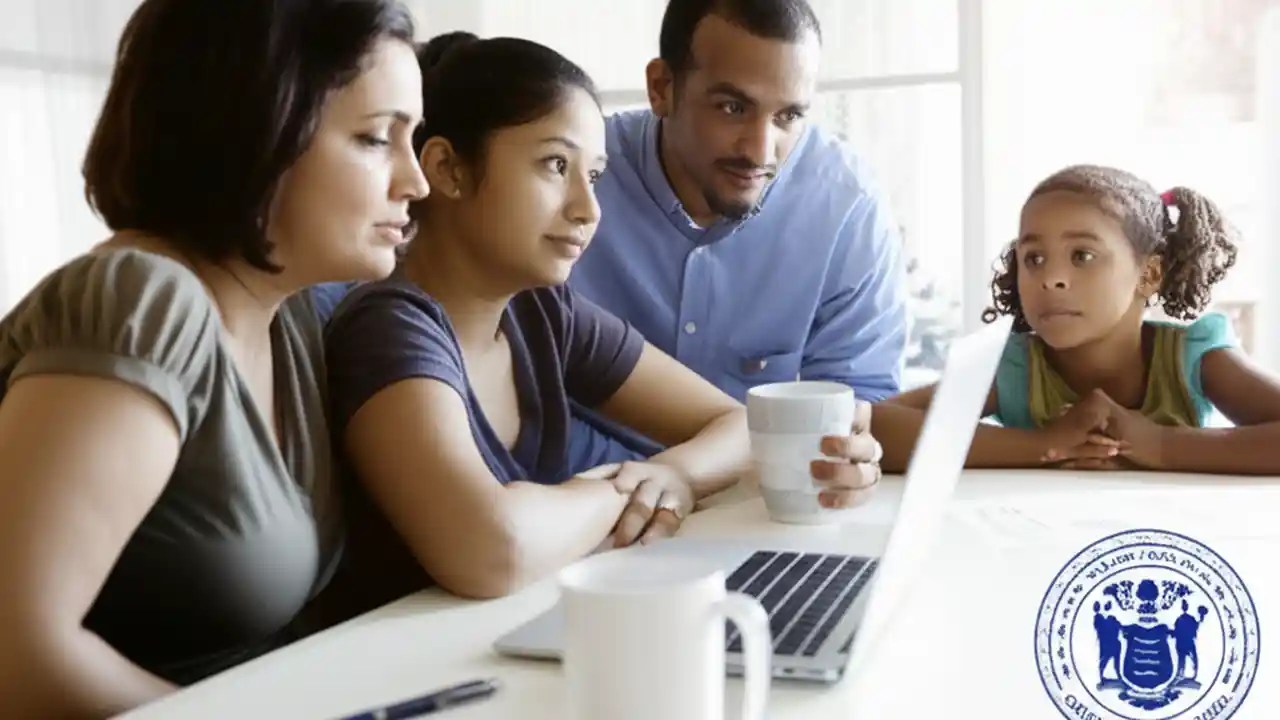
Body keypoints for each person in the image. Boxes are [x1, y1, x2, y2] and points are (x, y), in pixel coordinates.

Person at [322, 33, 882, 613]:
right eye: (554, 165)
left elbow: (739, 426)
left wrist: (675, 474)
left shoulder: (541, 313)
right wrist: (626, 488)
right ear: (447, 168)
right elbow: (492, 548)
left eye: (592, 176)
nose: (588, 209)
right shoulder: (388, 329)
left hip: (510, 631)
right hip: (401, 671)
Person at [0, 1, 428, 716]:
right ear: (257, 129)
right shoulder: (136, 304)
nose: (414, 181)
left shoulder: (288, 314)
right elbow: (19, 658)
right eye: (376, 139)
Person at [563, 0, 906, 468]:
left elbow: (857, 411)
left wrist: (849, 459)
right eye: (733, 107)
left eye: (787, 117)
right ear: (662, 88)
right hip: (579, 502)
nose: (760, 150)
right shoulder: (572, 180)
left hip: (759, 506)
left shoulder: (847, 208)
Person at [875, 164, 1280, 475]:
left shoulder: (1192, 356)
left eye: (1082, 256)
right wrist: (1045, 446)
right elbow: (873, 428)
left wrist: (1157, 444)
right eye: (1033, 259)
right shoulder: (1018, 370)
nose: (1050, 278)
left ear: (1149, 274)